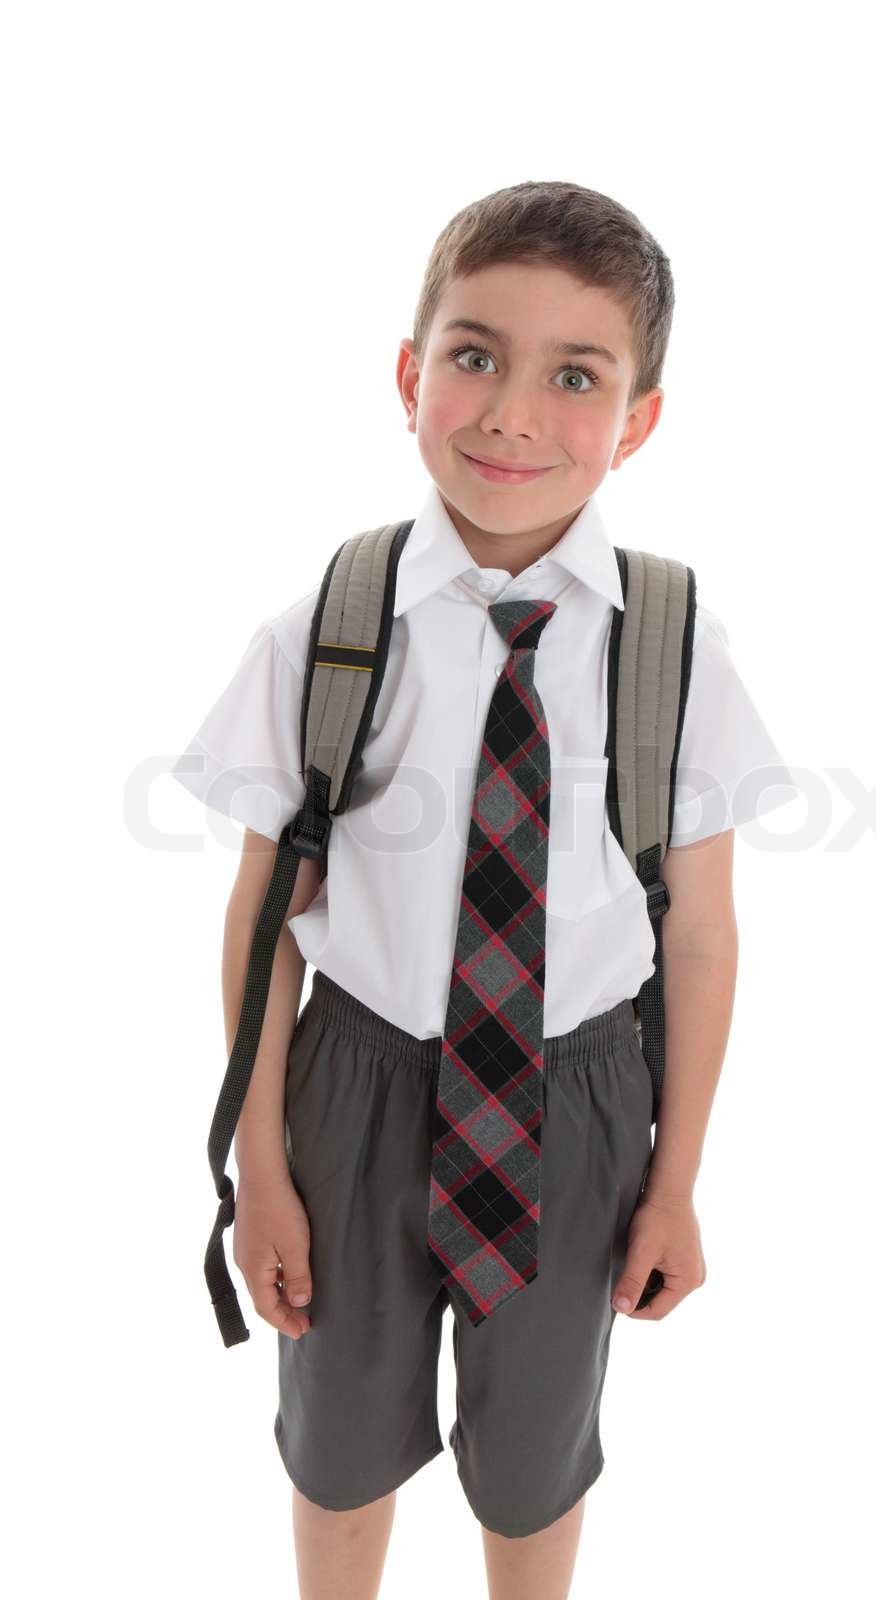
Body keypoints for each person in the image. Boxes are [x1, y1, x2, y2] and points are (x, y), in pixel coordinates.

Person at [171, 179, 797, 1600]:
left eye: (575, 376)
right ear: (410, 375)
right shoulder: (327, 628)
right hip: (357, 1086)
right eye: (474, 355)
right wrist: (260, 1163)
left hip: (579, 1096)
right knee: (335, 1445)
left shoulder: (673, 644)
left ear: (635, 419)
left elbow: (698, 941)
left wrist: (675, 1181)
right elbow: (264, 925)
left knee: (533, 1457)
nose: (513, 412)